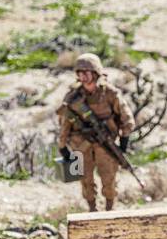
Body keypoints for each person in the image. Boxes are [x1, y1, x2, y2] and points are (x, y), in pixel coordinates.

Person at [57, 53, 135, 211]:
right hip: (81, 145)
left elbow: (127, 119)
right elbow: (65, 122)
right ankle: (92, 211)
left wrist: (123, 144)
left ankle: (109, 212)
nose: (83, 76)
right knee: (85, 181)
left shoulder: (110, 94)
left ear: (96, 73)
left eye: (86, 72)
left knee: (109, 180)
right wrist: (63, 145)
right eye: (79, 73)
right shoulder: (73, 96)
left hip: (105, 146)